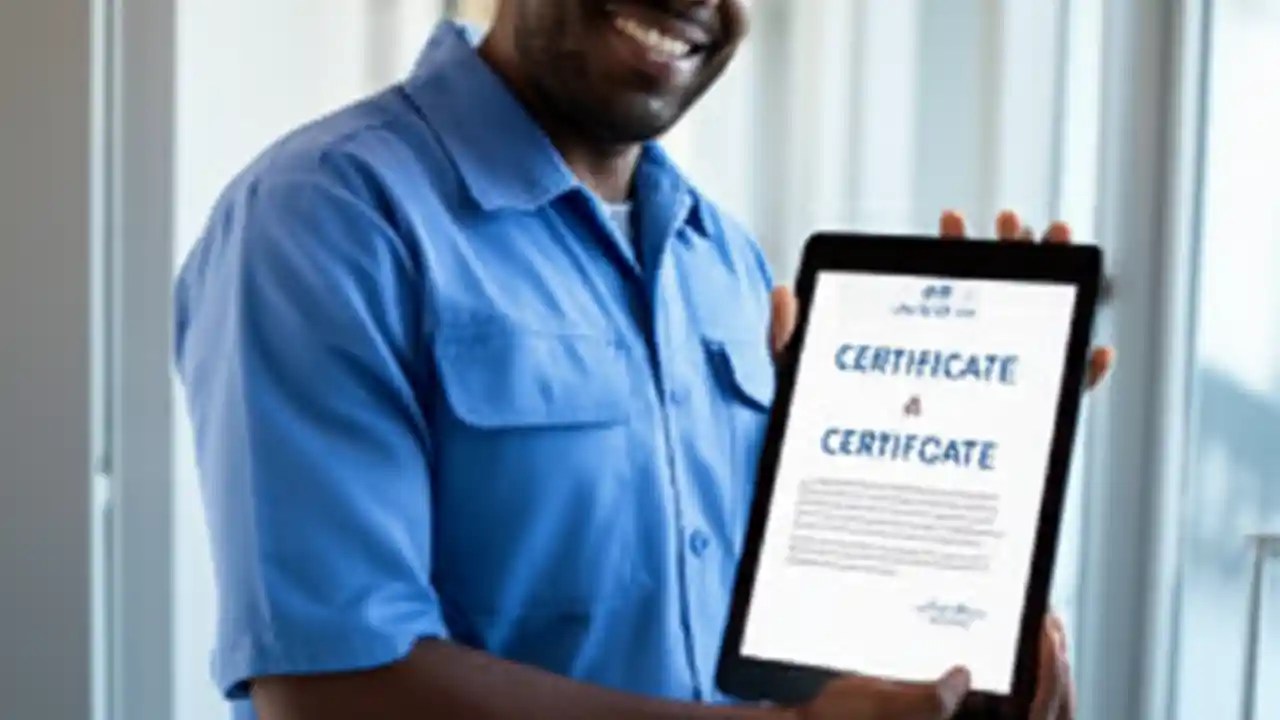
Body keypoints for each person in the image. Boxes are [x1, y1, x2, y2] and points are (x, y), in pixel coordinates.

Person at [174, 2, 1113, 719]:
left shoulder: (725, 258)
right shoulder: (326, 216)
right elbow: (331, 684)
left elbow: (762, 638)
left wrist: (956, 640)